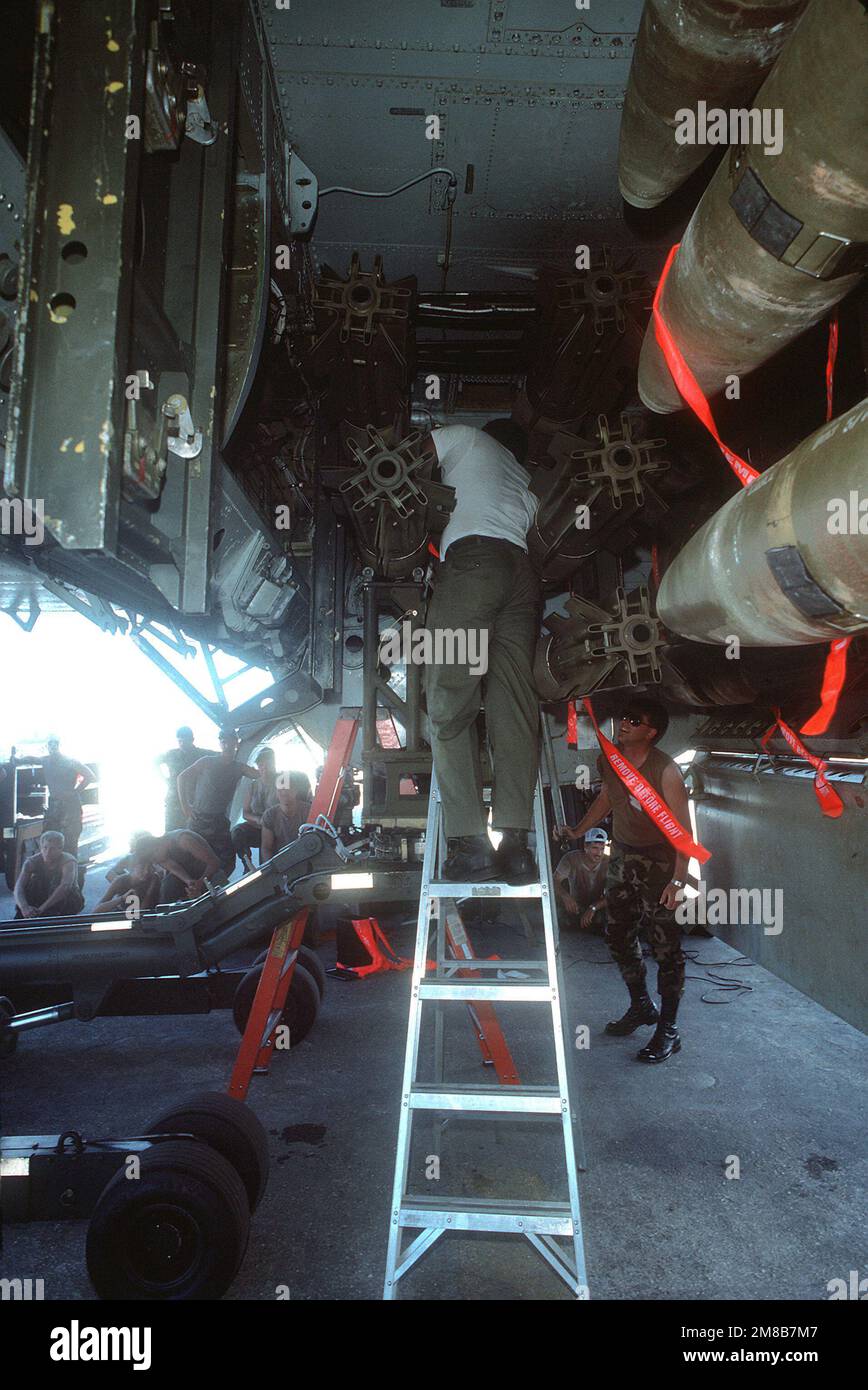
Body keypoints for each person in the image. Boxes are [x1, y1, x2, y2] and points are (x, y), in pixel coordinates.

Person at [420, 419, 540, 884]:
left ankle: (469, 845)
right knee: (514, 709)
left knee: (450, 708)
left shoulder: (467, 436)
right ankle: (515, 849)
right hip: (523, 577)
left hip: (472, 568)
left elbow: (409, 460)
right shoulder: (526, 487)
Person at [563, 698, 690, 1063]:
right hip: (622, 856)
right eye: (623, 717)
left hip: (660, 862)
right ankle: (641, 1006)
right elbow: (607, 798)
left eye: (634, 720)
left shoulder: (665, 771)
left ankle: (669, 1029)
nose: (623, 723)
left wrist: (678, 882)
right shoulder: (611, 760)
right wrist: (577, 831)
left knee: (666, 947)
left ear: (651, 732)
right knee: (617, 934)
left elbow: (683, 832)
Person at [176, 727, 259, 873]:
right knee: (191, 860)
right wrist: (186, 806)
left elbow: (259, 774)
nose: (227, 745)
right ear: (220, 744)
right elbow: (182, 778)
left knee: (227, 862)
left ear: (236, 743)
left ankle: (227, 884)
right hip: (198, 820)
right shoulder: (207, 762)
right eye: (223, 741)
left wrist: (269, 767)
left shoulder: (239, 768)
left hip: (219, 821)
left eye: (230, 741)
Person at [129, 829, 224, 904]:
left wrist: (200, 882)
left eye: (153, 858)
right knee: (168, 885)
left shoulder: (183, 840)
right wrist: (190, 882)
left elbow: (214, 862)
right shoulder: (161, 855)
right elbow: (174, 868)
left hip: (212, 873)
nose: (156, 862)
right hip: (196, 877)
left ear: (156, 847)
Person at [40, 737, 95, 863]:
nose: (53, 747)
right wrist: (18, 759)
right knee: (49, 842)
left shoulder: (70, 762)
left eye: (55, 744)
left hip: (70, 806)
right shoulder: (46, 760)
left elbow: (90, 775)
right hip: (54, 806)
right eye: (50, 744)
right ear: (47, 746)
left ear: (59, 746)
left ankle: (71, 878)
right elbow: (31, 759)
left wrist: (75, 791)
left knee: (70, 844)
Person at [13, 830, 84, 917]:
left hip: (65, 900)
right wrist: (24, 907)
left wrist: (41, 909)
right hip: (41, 896)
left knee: (58, 882)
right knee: (33, 883)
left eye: (52, 849)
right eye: (45, 848)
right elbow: (19, 887)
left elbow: (65, 887)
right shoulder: (31, 862)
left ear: (60, 848)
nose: (47, 852)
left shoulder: (68, 861)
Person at [156, 727, 213, 832]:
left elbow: (222, 757)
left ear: (192, 739)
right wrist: (165, 779)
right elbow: (154, 762)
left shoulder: (202, 754)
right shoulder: (171, 754)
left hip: (194, 802)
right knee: (171, 834)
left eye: (185, 740)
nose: (182, 743)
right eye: (179, 741)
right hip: (174, 801)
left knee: (193, 835)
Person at [554, 827, 609, 932]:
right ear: (585, 847)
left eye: (602, 848)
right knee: (561, 919)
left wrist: (594, 907)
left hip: (597, 906)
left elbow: (615, 892)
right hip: (574, 905)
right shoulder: (571, 858)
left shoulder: (609, 862)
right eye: (595, 848)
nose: (599, 853)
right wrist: (566, 897)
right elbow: (554, 880)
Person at [231, 747, 278, 869]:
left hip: (277, 829)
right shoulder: (253, 785)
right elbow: (245, 813)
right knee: (237, 832)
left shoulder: (283, 780)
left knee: (267, 863)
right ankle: (248, 865)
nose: (264, 767)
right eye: (260, 764)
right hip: (258, 828)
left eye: (267, 763)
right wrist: (257, 819)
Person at [260, 772, 313, 859]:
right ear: (276, 792)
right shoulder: (269, 815)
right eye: (280, 789)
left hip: (306, 858)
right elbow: (266, 848)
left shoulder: (309, 811)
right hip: (282, 863)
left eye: (287, 789)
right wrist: (274, 870)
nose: (284, 793)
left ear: (295, 791)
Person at [92, 859, 164, 916]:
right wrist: (122, 898)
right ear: (133, 867)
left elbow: (140, 915)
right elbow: (96, 911)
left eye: (150, 867)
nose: (146, 871)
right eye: (142, 867)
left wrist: (150, 891)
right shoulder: (122, 880)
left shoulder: (154, 879)